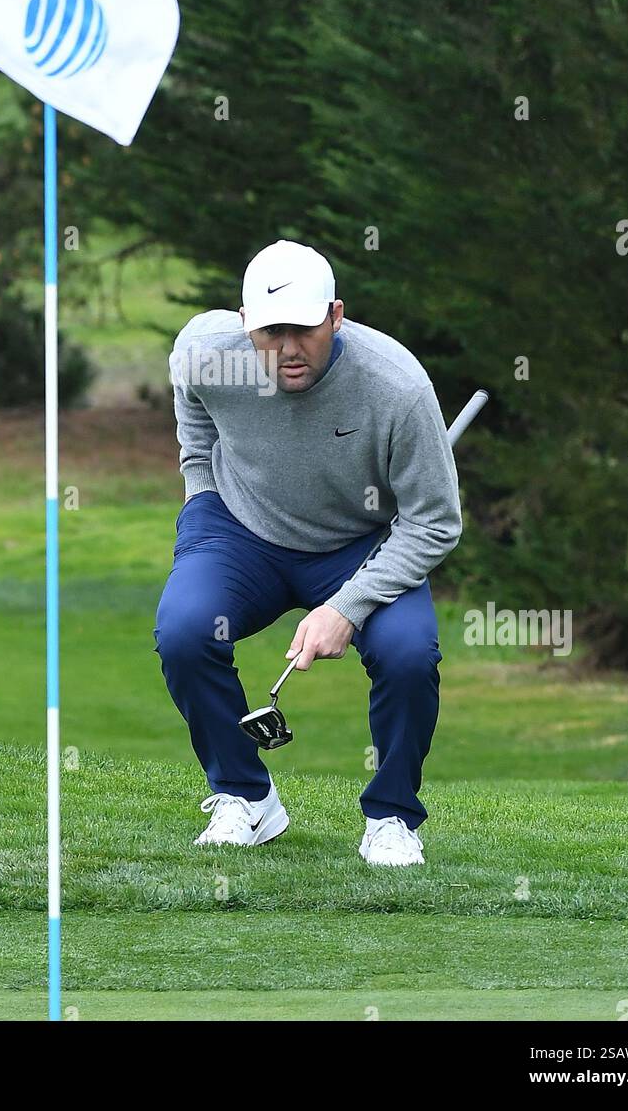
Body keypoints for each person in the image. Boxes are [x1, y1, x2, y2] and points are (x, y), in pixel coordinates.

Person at [153, 239, 462, 866]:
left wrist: (346, 608)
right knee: (185, 632)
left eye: (305, 328)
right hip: (242, 532)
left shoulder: (396, 386)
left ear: (336, 316)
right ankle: (246, 796)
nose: (289, 349)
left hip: (359, 546)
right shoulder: (208, 352)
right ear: (246, 324)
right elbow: (192, 406)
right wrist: (199, 492)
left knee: (407, 656)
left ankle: (392, 818)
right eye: (272, 331)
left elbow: (433, 522)